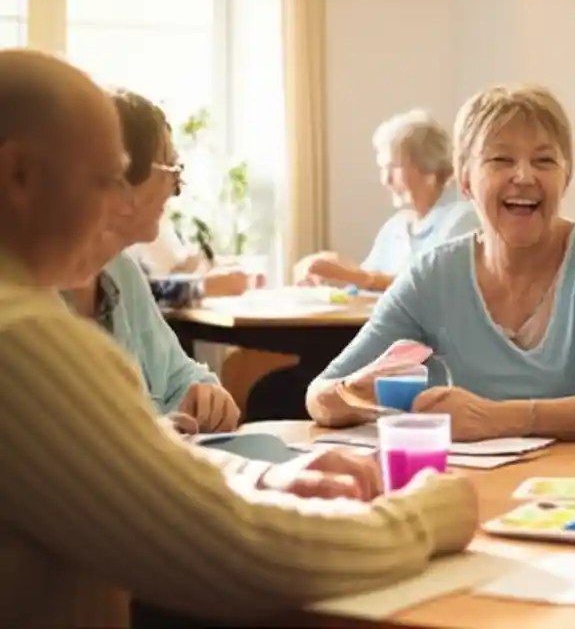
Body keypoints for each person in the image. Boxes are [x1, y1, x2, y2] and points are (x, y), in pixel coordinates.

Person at [0, 49, 478, 626]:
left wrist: (259, 474)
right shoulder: (24, 340)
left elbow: (125, 476)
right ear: (19, 176)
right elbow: (230, 549)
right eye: (105, 181)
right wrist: (424, 516)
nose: (115, 207)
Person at [307, 84, 575, 439]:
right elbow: (319, 395)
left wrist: (496, 418)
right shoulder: (434, 275)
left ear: (566, 177)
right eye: (501, 160)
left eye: (544, 161)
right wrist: (354, 390)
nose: (523, 176)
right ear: (465, 180)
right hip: (474, 486)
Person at [61, 88, 240, 432]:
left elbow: (179, 374)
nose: (176, 186)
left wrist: (208, 396)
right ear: (123, 171)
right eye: (171, 167)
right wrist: (156, 435)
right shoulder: (30, 291)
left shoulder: (121, 270)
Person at [294, 108, 479, 290]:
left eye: (394, 168)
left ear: (430, 171)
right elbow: (364, 283)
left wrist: (357, 277)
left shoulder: (462, 220)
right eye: (383, 168)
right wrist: (330, 271)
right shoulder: (396, 227)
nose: (386, 180)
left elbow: (433, 288)